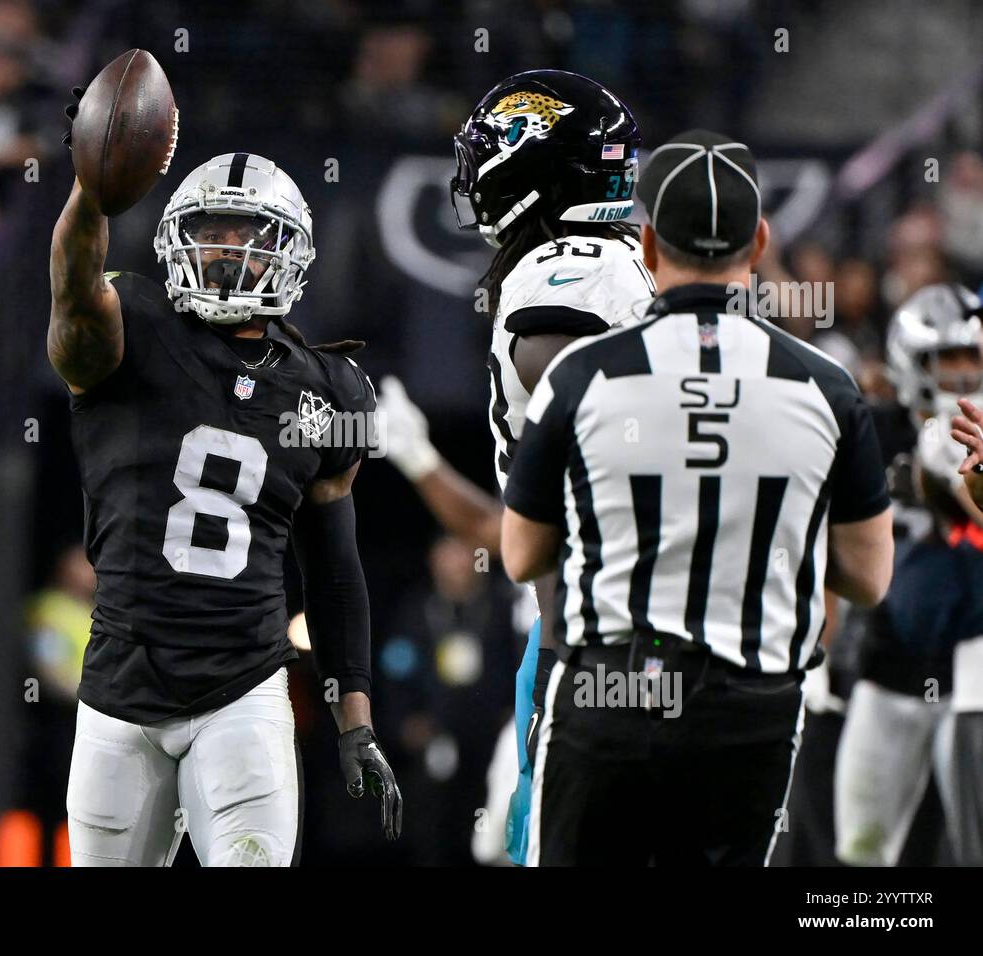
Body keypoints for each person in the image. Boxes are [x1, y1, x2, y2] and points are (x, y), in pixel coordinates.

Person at [500, 129, 894, 866]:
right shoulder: (826, 386)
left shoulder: (583, 374)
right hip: (752, 702)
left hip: (612, 691)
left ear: (648, 246)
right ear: (761, 242)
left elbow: (521, 556)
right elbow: (869, 576)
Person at [49, 95, 401, 866]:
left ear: (293, 252)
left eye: (250, 233)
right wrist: (89, 185)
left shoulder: (329, 389)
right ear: (178, 241)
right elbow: (74, 291)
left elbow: (334, 570)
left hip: (241, 688)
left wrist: (356, 720)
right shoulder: (129, 326)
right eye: (212, 232)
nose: (230, 249)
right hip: (119, 688)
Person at [373, 69, 653, 865]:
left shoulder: (561, 275)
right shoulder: (627, 263)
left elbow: (596, 451)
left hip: (596, 637)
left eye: (488, 155)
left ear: (535, 167)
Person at [834, 283, 983, 866]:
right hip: (893, 667)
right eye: (946, 359)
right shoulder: (870, 427)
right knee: (862, 852)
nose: (961, 373)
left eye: (971, 357)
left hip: (971, 666)